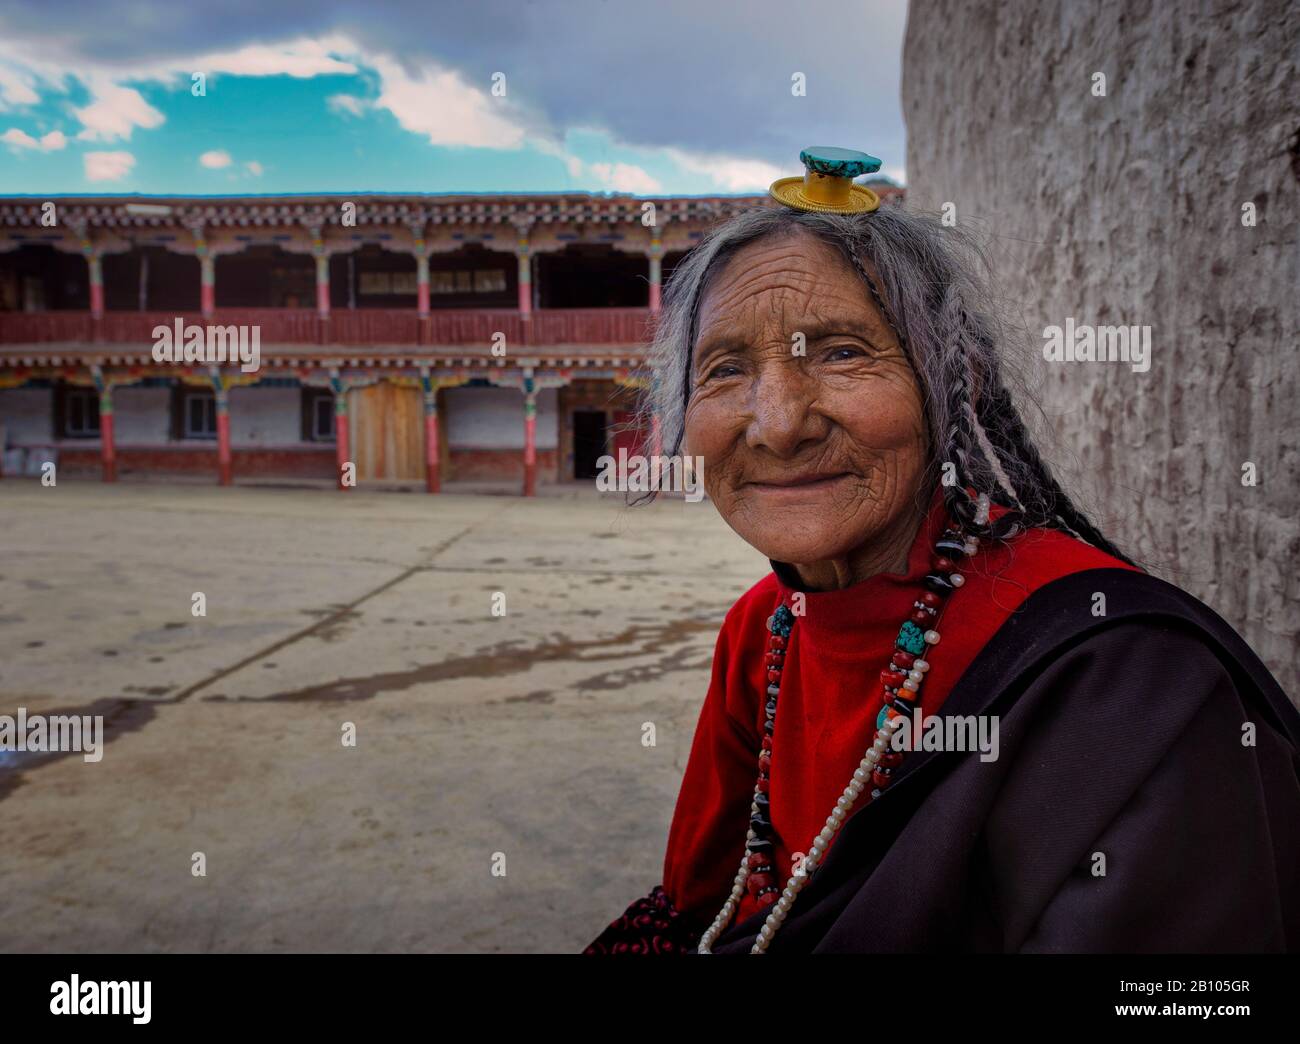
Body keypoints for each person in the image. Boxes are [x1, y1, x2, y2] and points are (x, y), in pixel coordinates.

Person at [583, 147, 1300, 955]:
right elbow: (706, 909)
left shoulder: (1123, 675)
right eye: (725, 369)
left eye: (842, 352)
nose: (778, 424)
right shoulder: (764, 630)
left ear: (956, 383)